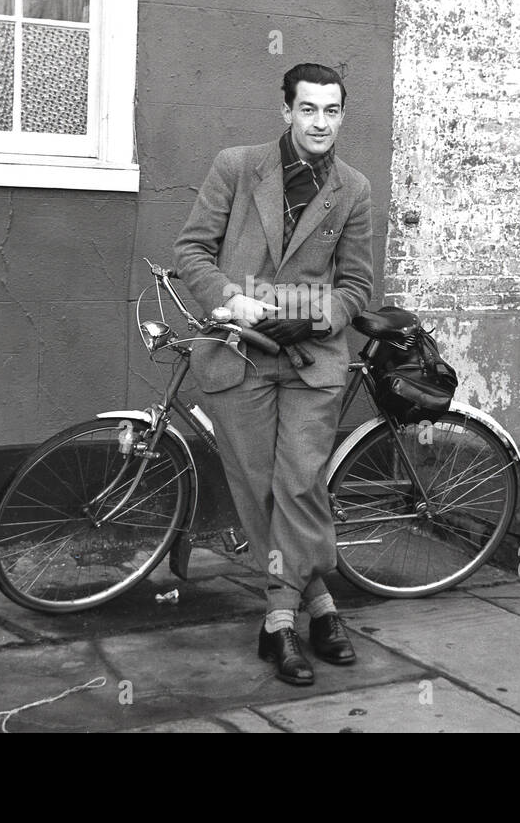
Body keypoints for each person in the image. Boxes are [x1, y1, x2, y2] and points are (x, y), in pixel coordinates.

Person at [174, 62, 375, 685]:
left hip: (310, 360)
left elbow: (357, 286)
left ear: (342, 115)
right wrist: (231, 301)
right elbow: (191, 251)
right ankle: (319, 605)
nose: (320, 122)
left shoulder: (353, 188)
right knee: (258, 487)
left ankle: (278, 621)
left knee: (300, 483)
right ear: (286, 110)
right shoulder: (237, 167)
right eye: (308, 109)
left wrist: (315, 320)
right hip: (239, 352)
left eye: (331, 111)